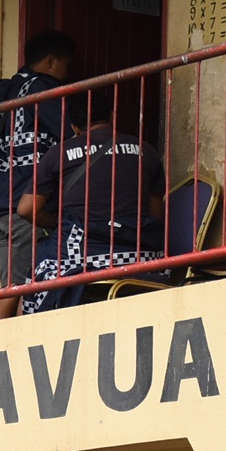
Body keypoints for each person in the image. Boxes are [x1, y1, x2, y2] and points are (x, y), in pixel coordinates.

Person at [16, 95, 166, 315]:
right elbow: (156, 217)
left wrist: (61, 222)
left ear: (75, 127)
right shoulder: (147, 151)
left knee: (32, 282)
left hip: (82, 256)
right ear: (112, 117)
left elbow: (25, 209)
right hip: (140, 258)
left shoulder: (58, 154)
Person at [0, 30, 75, 320]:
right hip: (23, 204)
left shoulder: (11, 89)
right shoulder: (43, 89)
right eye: (66, 65)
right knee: (25, 289)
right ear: (50, 61)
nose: (67, 74)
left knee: (13, 287)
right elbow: (71, 134)